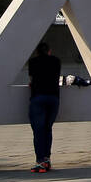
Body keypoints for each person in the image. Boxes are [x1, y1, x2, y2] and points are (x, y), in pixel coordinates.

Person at [27, 42, 61, 173]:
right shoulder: (56, 61)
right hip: (53, 98)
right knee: (48, 128)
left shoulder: (33, 62)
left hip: (38, 98)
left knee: (38, 130)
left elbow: (31, 79)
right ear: (49, 51)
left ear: (37, 52)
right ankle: (47, 160)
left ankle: (40, 161)